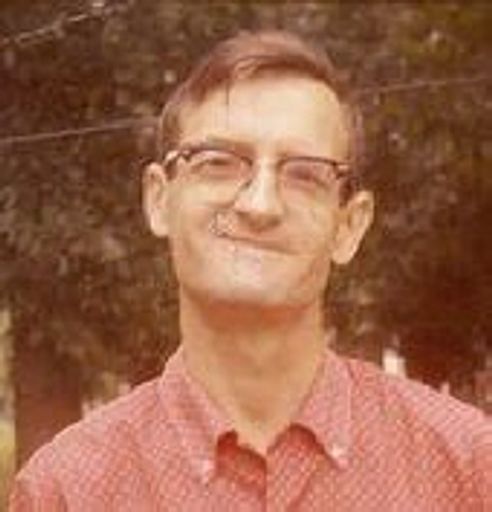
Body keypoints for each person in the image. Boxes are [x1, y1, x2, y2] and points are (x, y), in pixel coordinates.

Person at [10, 30, 490, 512]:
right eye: (218, 162)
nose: (260, 205)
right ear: (159, 199)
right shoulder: (68, 490)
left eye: (304, 174)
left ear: (349, 225)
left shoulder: (467, 469)